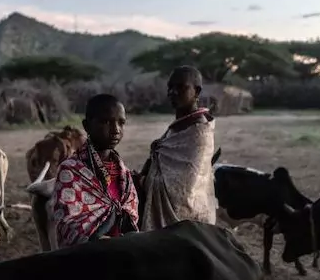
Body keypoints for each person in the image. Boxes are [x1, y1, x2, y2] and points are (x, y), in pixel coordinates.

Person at [136, 65, 217, 231]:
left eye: (181, 87)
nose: (173, 92)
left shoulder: (199, 133)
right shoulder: (177, 126)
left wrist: (143, 182)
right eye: (170, 87)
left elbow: (183, 191)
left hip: (185, 221)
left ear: (197, 91)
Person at [52, 94, 139, 248]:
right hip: (92, 259)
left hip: (124, 254)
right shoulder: (71, 171)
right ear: (87, 126)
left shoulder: (123, 173)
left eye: (121, 123)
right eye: (106, 122)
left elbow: (131, 215)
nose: (116, 130)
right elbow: (66, 225)